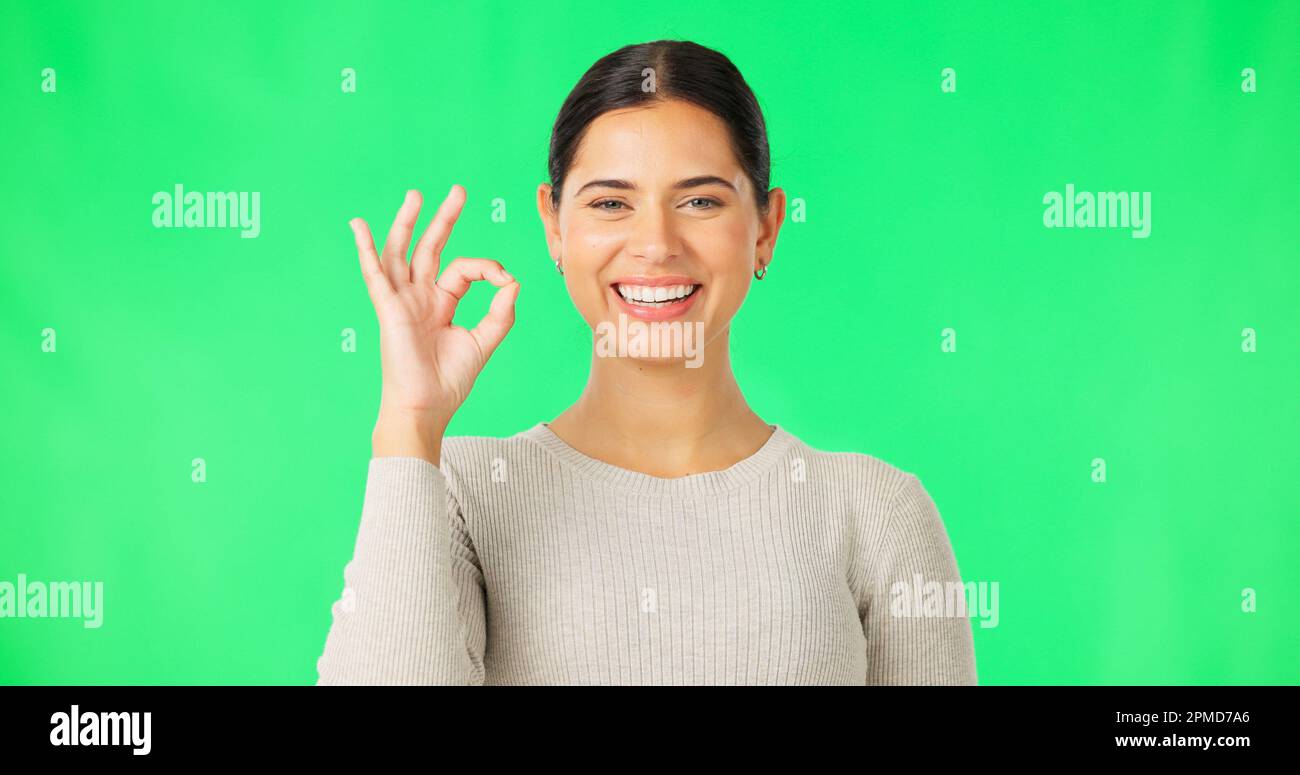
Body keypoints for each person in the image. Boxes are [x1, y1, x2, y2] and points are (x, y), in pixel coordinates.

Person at [315, 39, 977, 685]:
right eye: (611, 203)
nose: (655, 245)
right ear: (554, 225)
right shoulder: (461, 493)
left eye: (700, 201)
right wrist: (409, 424)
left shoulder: (876, 512)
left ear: (766, 227)